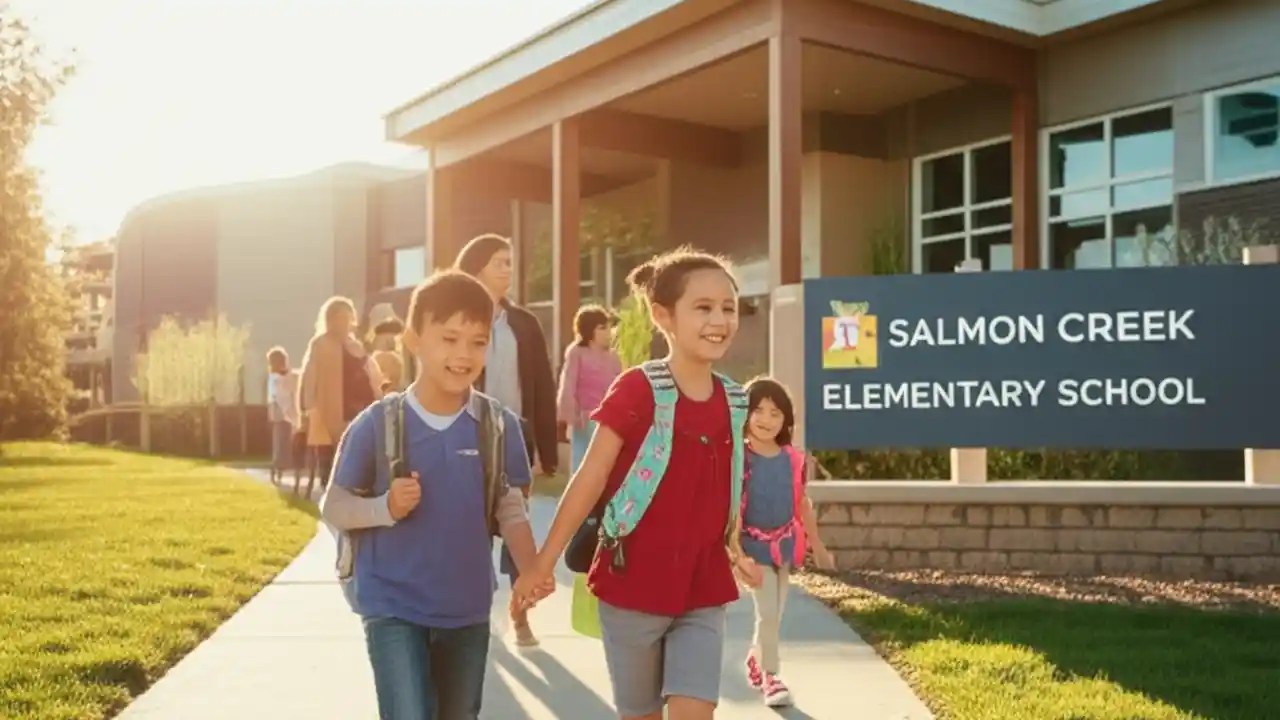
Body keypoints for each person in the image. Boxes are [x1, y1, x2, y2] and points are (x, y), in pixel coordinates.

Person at [514, 247, 763, 720]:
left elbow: (722, 488)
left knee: (695, 712)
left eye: (728, 308)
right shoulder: (638, 390)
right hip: (634, 586)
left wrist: (736, 548)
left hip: (703, 587)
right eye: (704, 307)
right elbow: (590, 478)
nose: (720, 320)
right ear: (662, 315)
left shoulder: (734, 400)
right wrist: (542, 564)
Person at [319, 270, 552, 720]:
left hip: (465, 608)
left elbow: (510, 508)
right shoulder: (379, 423)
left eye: (477, 342)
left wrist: (531, 567)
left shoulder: (497, 426)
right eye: (449, 338)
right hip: (392, 604)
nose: (463, 354)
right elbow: (335, 506)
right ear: (413, 339)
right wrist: (385, 507)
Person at [453, 233, 558, 647]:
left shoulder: (524, 324)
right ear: (477, 266)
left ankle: (520, 615)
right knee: (469, 531)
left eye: (510, 261)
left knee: (517, 531)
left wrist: (546, 450)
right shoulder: (458, 320)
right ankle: (470, 617)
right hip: (465, 435)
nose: (508, 269)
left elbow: (542, 388)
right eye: (499, 261)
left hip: (514, 438)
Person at [736, 377, 835, 708]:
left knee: (774, 614)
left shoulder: (793, 459)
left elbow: (801, 502)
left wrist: (818, 546)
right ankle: (771, 675)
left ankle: (755, 657)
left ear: (785, 420)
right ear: (745, 415)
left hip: (785, 544)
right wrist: (735, 551)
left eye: (775, 413)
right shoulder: (741, 458)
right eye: (758, 411)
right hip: (753, 546)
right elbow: (732, 506)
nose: (766, 420)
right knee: (766, 612)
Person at [300, 296, 383, 489]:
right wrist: (309, 406)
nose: (344, 323)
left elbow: (370, 372)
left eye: (347, 318)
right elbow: (309, 375)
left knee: (358, 451)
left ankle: (356, 492)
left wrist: (379, 396)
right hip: (330, 410)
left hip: (360, 407)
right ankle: (330, 493)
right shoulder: (320, 344)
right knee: (329, 456)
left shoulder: (356, 345)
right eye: (339, 318)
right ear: (330, 319)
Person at [557, 305, 622, 473]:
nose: (608, 332)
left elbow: (619, 387)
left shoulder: (613, 357)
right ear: (589, 331)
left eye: (609, 327)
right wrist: (570, 415)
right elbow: (569, 383)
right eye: (602, 328)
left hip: (609, 418)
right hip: (584, 418)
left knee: (607, 463)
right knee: (582, 460)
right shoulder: (577, 352)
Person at [266, 347, 302, 488]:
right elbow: (283, 395)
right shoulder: (277, 378)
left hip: (277, 412)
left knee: (281, 441)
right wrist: (291, 415)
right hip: (281, 412)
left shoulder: (275, 377)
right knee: (282, 440)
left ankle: (278, 468)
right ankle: (278, 467)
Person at [368, 302, 407, 394]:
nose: (391, 337)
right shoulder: (371, 363)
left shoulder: (398, 360)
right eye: (385, 329)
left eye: (393, 330)